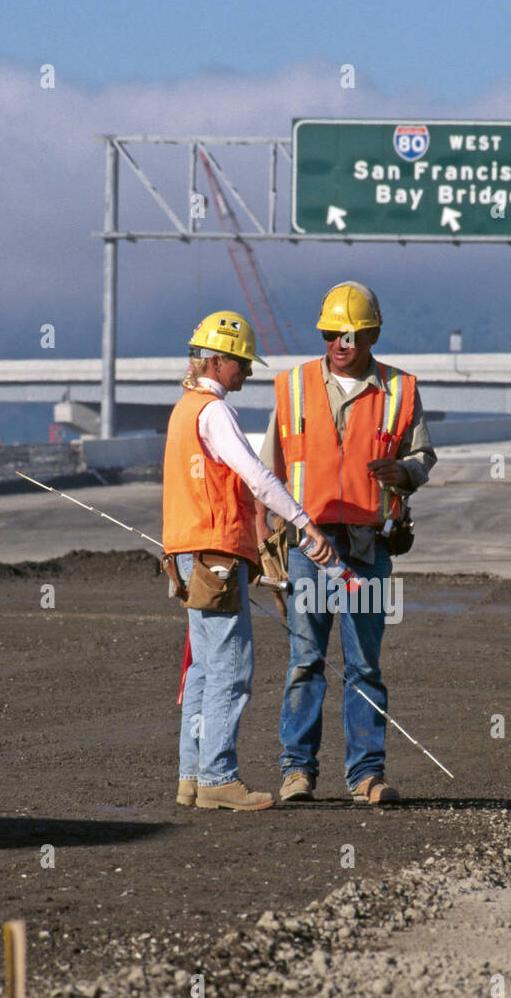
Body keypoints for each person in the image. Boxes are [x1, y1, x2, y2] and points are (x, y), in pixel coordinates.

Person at [257, 281, 436, 805]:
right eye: (333, 334)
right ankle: (297, 772)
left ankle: (365, 776)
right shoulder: (293, 387)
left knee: (363, 665)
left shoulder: (400, 390)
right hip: (307, 547)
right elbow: (270, 469)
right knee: (305, 660)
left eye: (353, 335)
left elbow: (423, 457)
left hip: (367, 548)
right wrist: (268, 535)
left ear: (373, 335)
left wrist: (404, 472)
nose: (342, 343)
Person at [162, 311, 335, 811]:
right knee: (232, 666)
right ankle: (218, 777)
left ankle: (191, 777)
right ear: (216, 361)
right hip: (217, 553)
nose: (249, 372)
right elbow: (256, 476)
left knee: (202, 668)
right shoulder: (214, 414)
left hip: (190, 554)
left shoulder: (183, 410)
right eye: (241, 363)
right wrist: (304, 523)